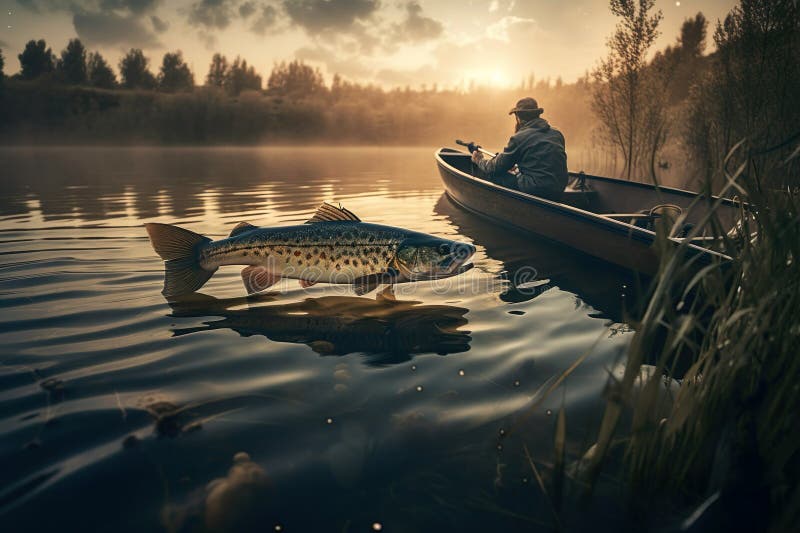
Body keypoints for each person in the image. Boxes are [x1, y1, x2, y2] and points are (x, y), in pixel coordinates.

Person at [471, 97, 568, 201]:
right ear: (537, 115)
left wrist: (479, 160)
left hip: (537, 190)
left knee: (495, 174)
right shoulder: (557, 134)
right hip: (558, 190)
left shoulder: (519, 137)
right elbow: (540, 161)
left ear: (518, 117)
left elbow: (496, 167)